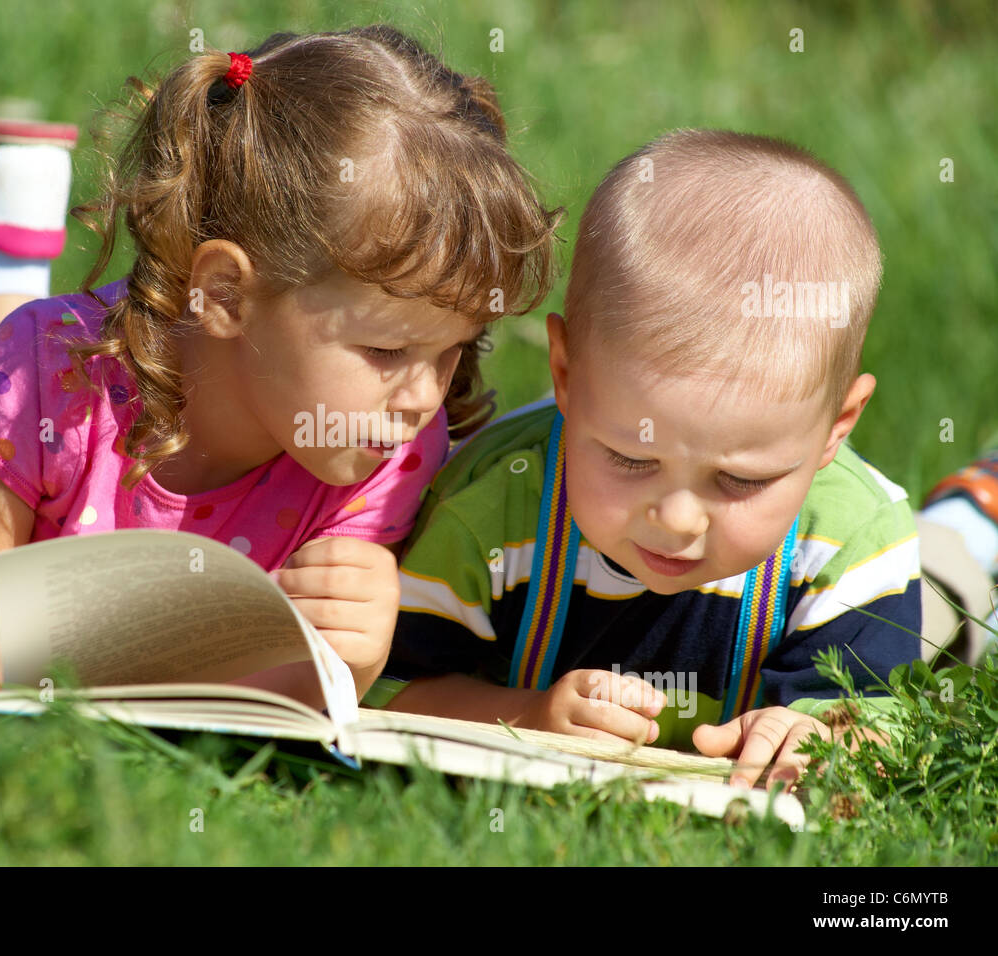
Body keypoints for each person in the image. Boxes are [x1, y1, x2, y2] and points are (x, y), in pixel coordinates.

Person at [0, 26, 561, 703]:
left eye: (454, 350)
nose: (421, 398)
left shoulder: (386, 451)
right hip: (40, 394)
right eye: (386, 350)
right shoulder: (52, 376)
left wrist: (348, 664)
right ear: (226, 295)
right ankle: (0, 238)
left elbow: (294, 693)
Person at [371, 129, 922, 791]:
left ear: (837, 426)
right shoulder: (491, 506)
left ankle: (974, 516)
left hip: (919, 574)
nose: (678, 519)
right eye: (632, 458)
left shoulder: (854, 539)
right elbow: (383, 691)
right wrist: (525, 716)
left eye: (739, 479)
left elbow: (883, 720)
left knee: (955, 595)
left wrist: (819, 740)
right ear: (567, 375)